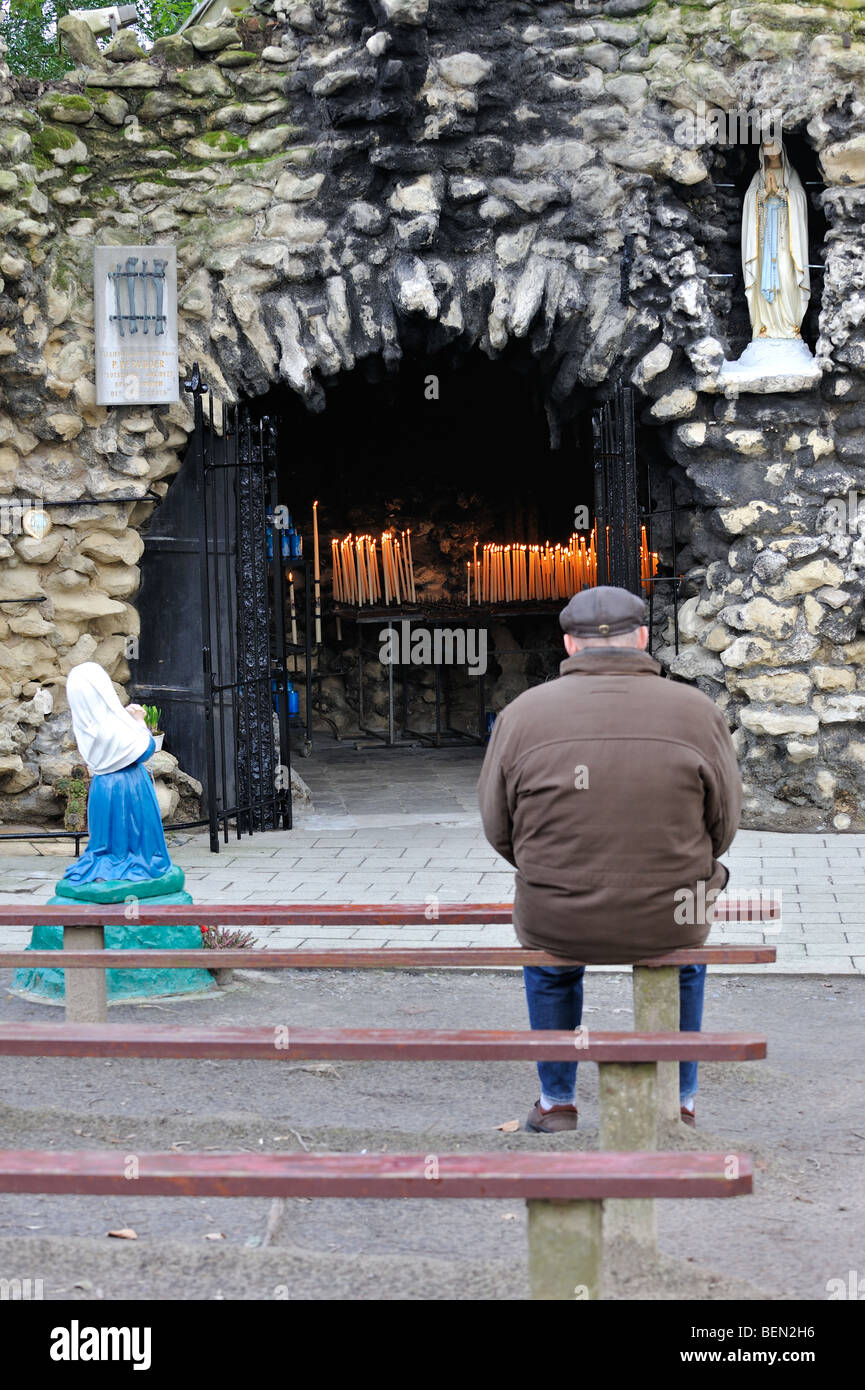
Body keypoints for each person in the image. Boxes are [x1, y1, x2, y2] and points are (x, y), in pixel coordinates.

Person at [477, 585, 743, 1132]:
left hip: (558, 911)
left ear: (570, 645)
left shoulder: (521, 715)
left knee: (549, 968)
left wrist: (553, 870)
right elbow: (724, 825)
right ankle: (679, 1100)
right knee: (686, 960)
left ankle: (556, 1103)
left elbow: (498, 827)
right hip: (670, 909)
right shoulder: (698, 712)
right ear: (643, 637)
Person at [62, 662, 171, 885]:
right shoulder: (112, 724)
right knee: (136, 844)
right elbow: (145, 749)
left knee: (105, 839)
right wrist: (140, 722)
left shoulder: (84, 724)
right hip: (130, 786)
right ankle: (131, 865)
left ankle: (104, 865)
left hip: (102, 788)